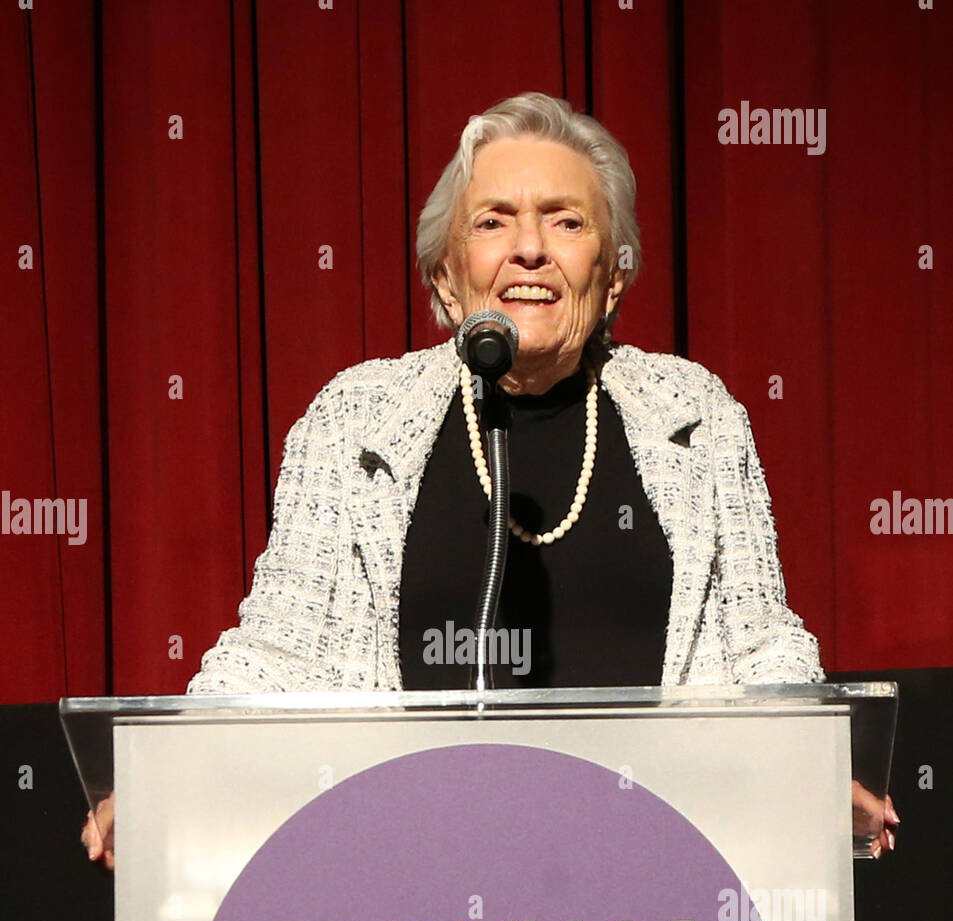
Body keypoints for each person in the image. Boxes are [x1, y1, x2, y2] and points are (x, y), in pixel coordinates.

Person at [84, 92, 897, 859]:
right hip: (408, 863)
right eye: (493, 221)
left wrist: (810, 771)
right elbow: (280, 648)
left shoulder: (695, 415)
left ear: (611, 275)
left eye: (566, 220)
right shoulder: (355, 419)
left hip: (657, 861)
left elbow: (758, 639)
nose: (530, 248)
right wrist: (172, 776)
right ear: (446, 276)